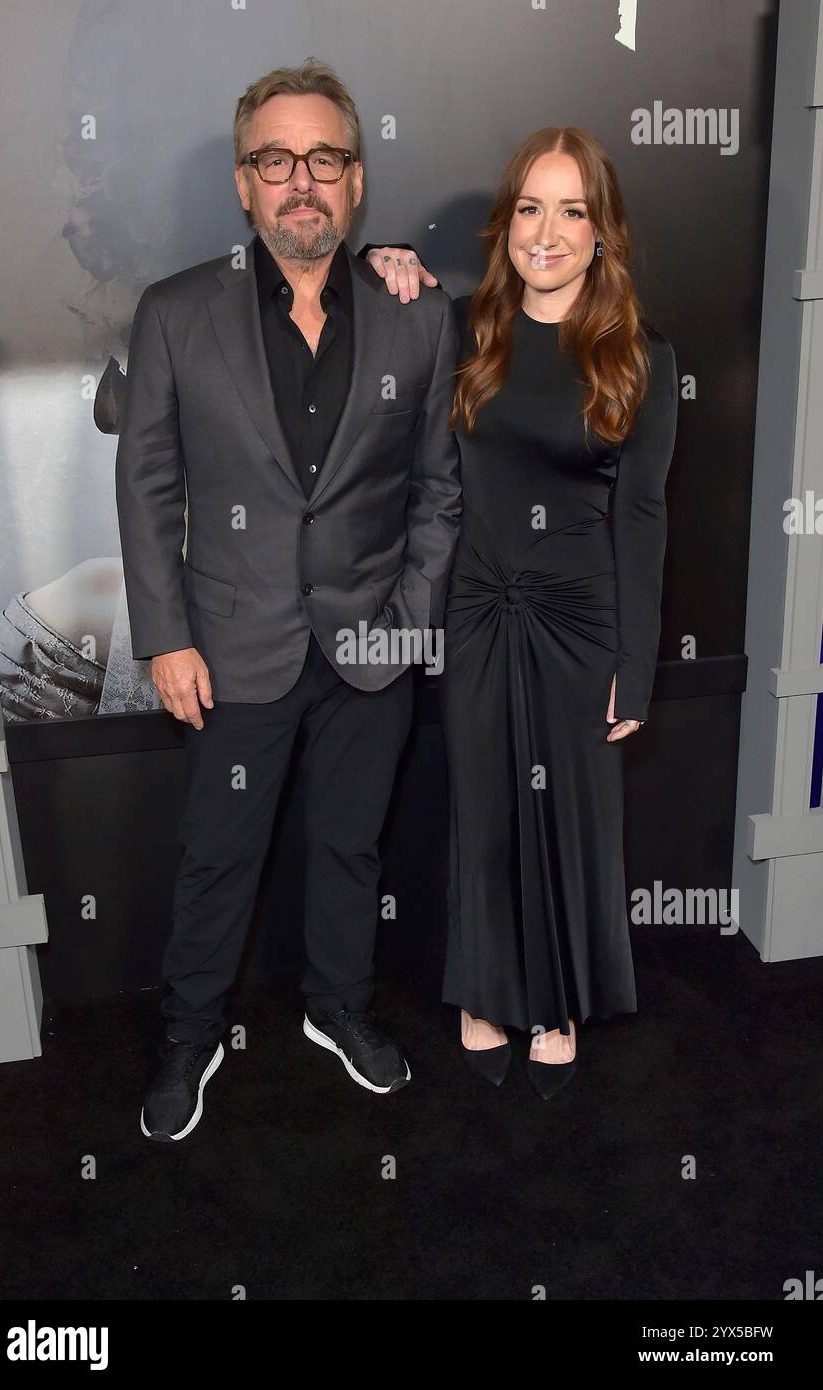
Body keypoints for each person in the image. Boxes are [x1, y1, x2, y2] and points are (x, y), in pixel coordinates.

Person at [115, 59, 461, 1141]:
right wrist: (164, 636)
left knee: (351, 847)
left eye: (323, 159)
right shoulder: (175, 312)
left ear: (355, 182)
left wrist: (408, 621)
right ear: (241, 181)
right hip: (229, 643)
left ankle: (336, 1009)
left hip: (370, 644)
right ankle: (190, 1033)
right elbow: (147, 483)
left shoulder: (416, 312)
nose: (299, 180)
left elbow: (438, 487)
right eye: (275, 160)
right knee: (219, 855)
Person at [365, 126, 678, 1098]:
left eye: (570, 211)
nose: (546, 232)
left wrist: (635, 660)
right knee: (485, 808)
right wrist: (383, 263)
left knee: (571, 815)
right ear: (506, 225)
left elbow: (641, 514)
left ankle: (556, 995)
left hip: (581, 625)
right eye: (530, 209)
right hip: (474, 611)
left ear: (600, 232)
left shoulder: (640, 356)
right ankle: (484, 987)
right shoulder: (465, 329)